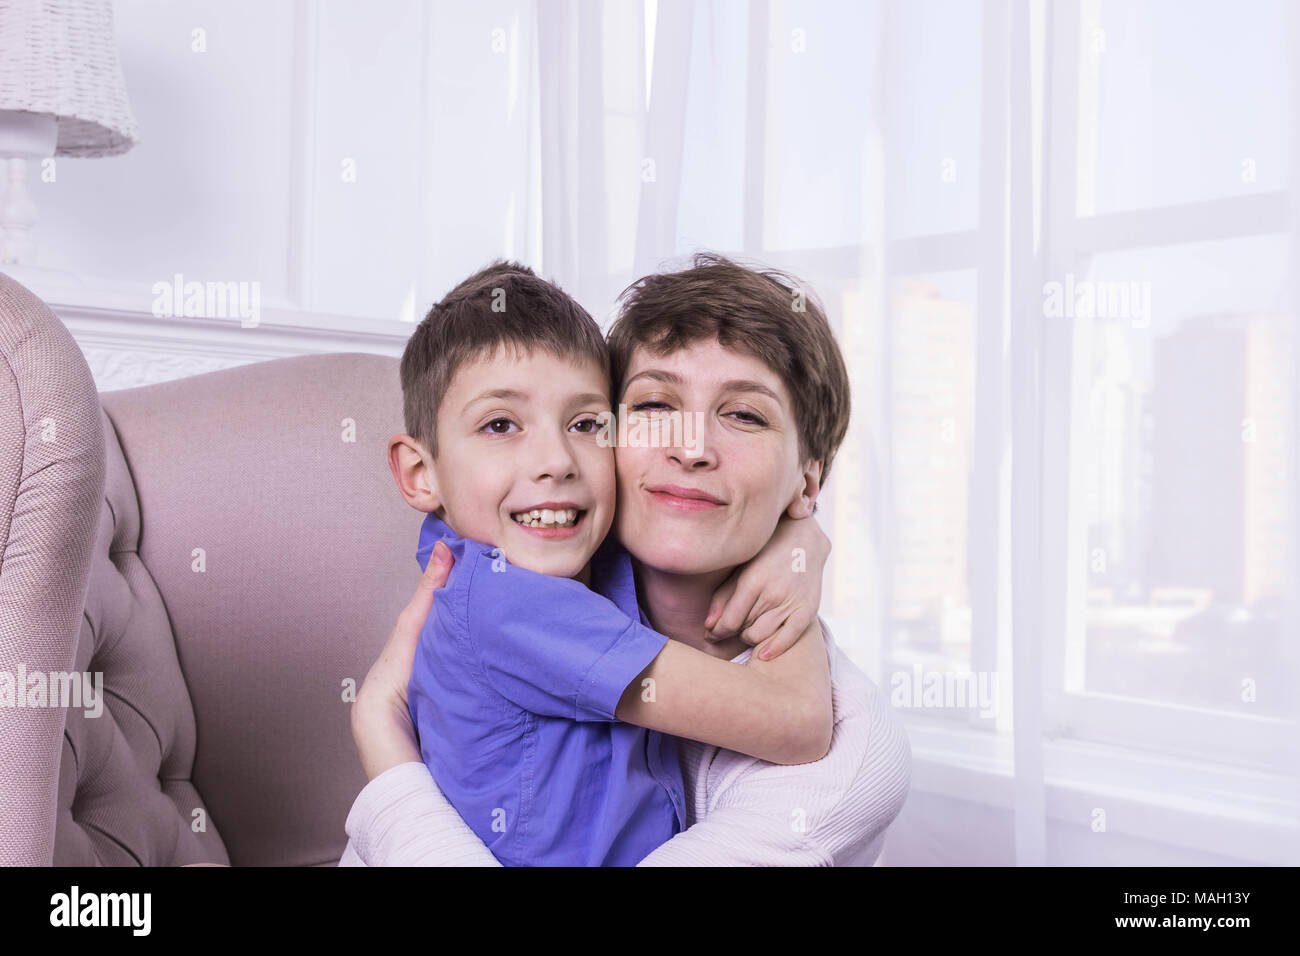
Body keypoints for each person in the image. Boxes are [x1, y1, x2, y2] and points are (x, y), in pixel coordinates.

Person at [342, 254, 912, 866]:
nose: (690, 449)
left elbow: (801, 724)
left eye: (744, 415)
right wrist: (797, 538)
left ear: (808, 481)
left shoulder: (850, 758)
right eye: (655, 407)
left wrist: (799, 548)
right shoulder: (532, 580)